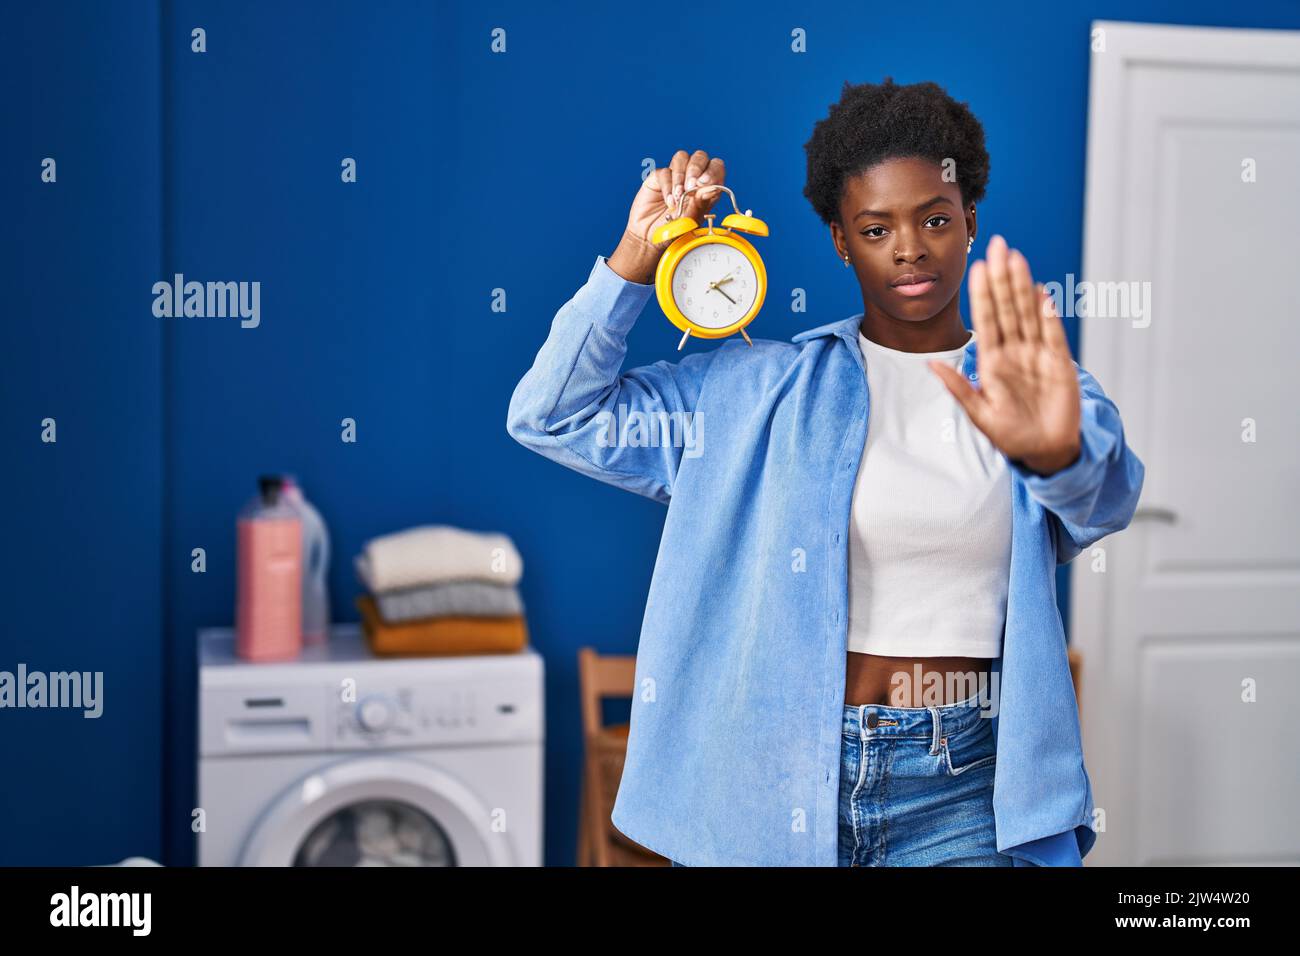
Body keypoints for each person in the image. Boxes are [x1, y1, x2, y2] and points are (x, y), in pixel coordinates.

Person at [507, 77, 1145, 867]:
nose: (909, 247)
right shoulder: (751, 393)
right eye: (876, 229)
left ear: (970, 222)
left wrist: (1056, 455)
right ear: (842, 241)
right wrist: (638, 254)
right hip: (765, 777)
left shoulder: (1032, 383)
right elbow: (553, 414)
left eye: (935, 219)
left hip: (960, 782)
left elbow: (1107, 493)